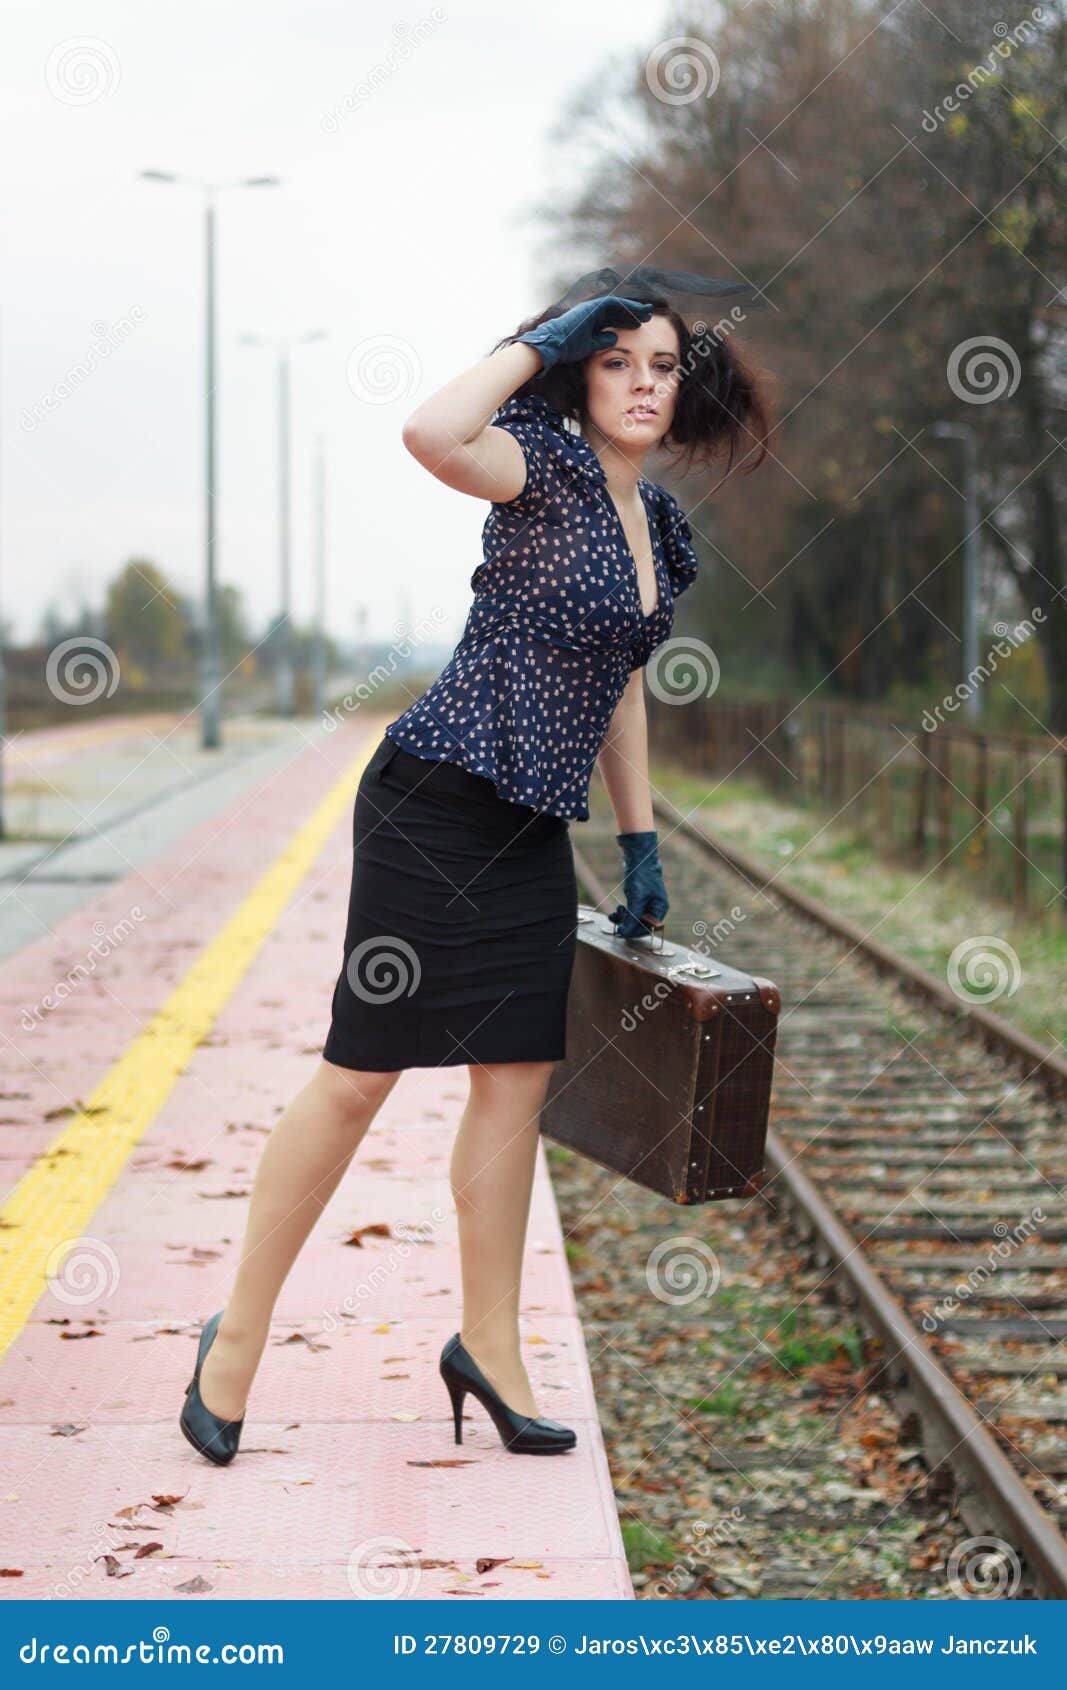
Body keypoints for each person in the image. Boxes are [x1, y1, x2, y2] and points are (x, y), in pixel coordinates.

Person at [179, 278, 772, 1464]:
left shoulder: (656, 528)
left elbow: (616, 683)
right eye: (615, 361)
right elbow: (426, 434)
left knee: (513, 1087)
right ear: (578, 377)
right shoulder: (531, 466)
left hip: (525, 836)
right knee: (359, 1076)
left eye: (661, 363)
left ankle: (488, 1349)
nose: (643, 382)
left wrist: (638, 838)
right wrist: (530, 343)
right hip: (430, 805)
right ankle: (234, 1335)